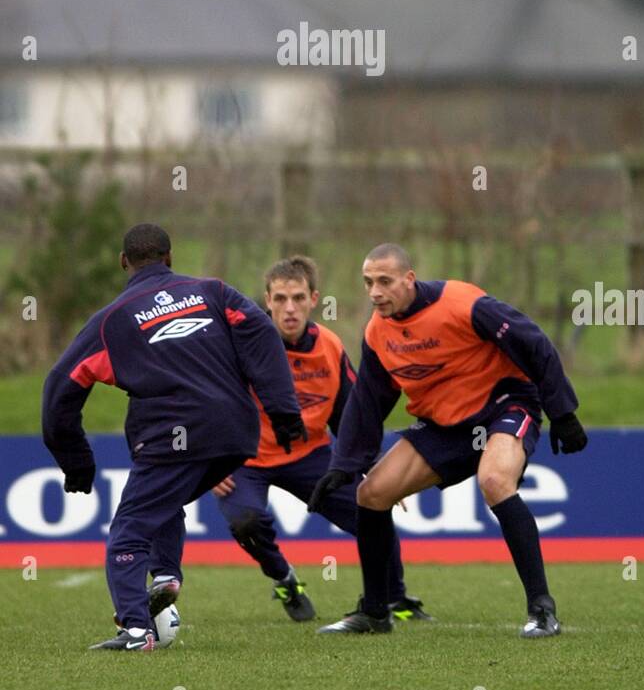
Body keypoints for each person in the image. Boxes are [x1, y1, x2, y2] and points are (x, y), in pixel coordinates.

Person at [42, 223, 304, 651]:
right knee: (163, 503)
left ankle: (135, 630)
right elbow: (261, 333)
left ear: (124, 263)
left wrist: (76, 462)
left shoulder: (111, 320)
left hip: (170, 437)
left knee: (128, 531)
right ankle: (164, 575)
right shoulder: (214, 291)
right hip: (235, 435)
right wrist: (283, 410)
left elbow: (59, 389)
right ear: (170, 257)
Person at [310, 244, 588, 637]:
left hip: (503, 407)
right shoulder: (377, 332)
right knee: (371, 494)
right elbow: (368, 400)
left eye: (384, 282)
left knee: (494, 481)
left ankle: (542, 610)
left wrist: (563, 412)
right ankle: (374, 612)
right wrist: (344, 464)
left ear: (409, 279)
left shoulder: (462, 303)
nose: (374, 292)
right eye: (368, 282)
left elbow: (533, 342)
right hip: (444, 426)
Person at [214, 255, 431, 625]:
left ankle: (394, 598)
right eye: (280, 299)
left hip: (311, 456)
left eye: (298, 298)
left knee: (374, 514)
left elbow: (351, 412)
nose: (289, 308)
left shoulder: (329, 346)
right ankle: (285, 579)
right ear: (267, 300)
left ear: (314, 299)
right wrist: (209, 461)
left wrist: (376, 469)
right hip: (247, 461)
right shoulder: (240, 346)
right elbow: (208, 403)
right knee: (245, 522)